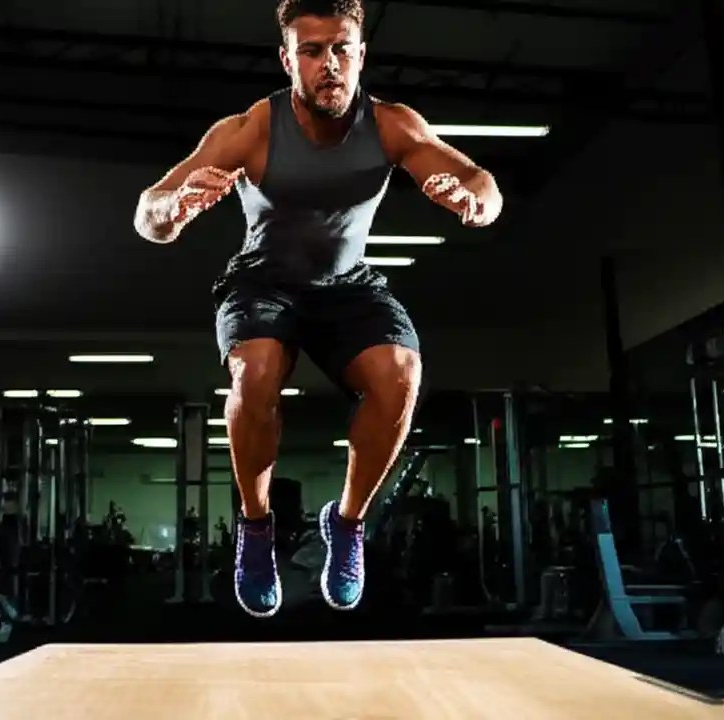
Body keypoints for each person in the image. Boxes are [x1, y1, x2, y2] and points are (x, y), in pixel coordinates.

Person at [133, 0, 503, 617]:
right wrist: (168, 215)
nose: (328, 64)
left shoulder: (392, 126)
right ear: (288, 60)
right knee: (255, 372)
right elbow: (151, 210)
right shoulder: (252, 128)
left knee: (401, 376)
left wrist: (474, 202)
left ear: (361, 55)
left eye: (341, 48)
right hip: (262, 282)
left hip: (348, 286)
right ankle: (256, 528)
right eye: (311, 51)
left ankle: (348, 524)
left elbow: (479, 180)